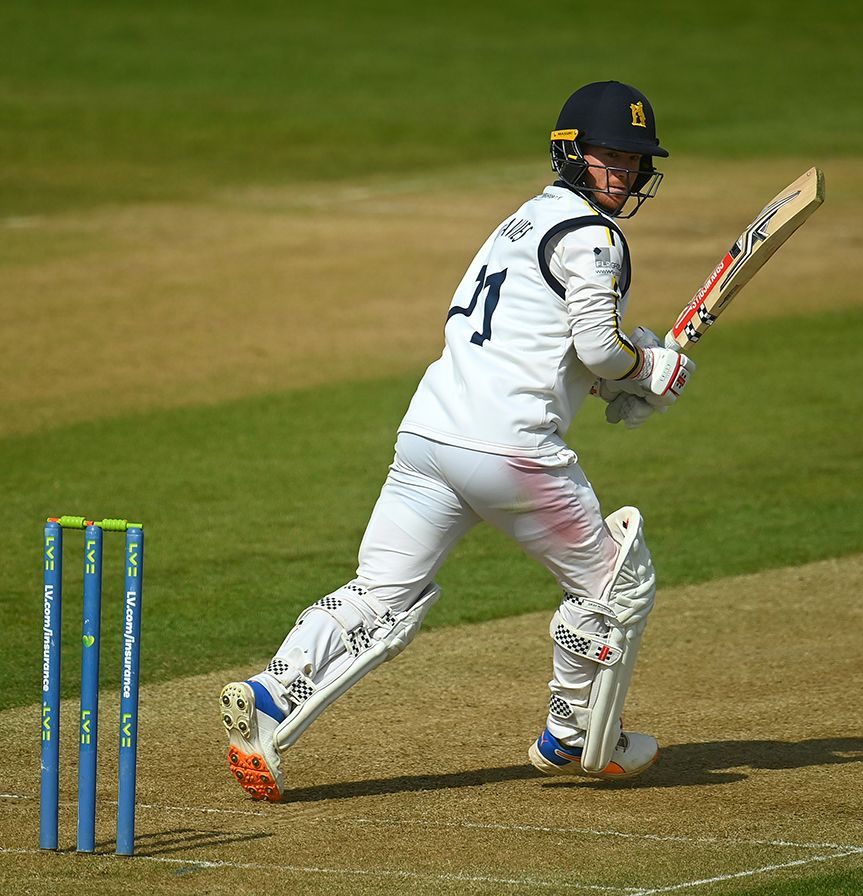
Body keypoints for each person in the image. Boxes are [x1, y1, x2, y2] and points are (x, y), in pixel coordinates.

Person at [220, 80, 696, 801]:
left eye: (633, 161)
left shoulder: (522, 221)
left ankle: (270, 694)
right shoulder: (596, 238)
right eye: (611, 157)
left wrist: (618, 385)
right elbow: (598, 349)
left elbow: (537, 343)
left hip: (429, 434)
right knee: (615, 585)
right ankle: (574, 734)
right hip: (512, 452)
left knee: (381, 594)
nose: (624, 174)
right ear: (572, 153)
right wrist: (646, 369)